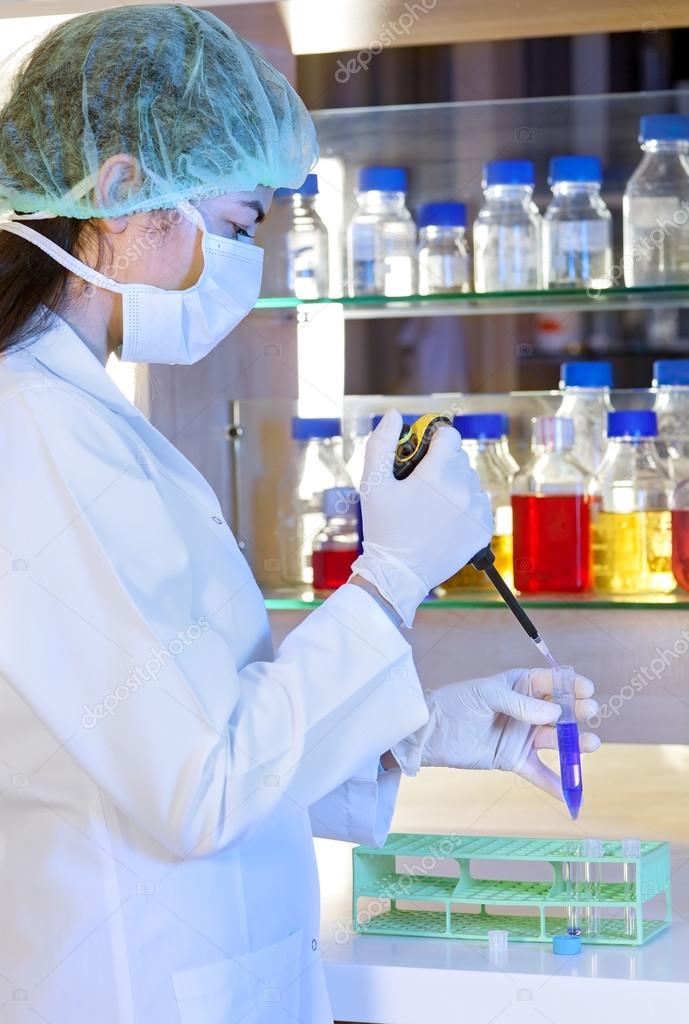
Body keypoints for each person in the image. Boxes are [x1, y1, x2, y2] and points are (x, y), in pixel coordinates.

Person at [0, 6, 599, 1023]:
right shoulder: (31, 427)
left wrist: (420, 732)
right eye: (238, 226)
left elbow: (184, 739)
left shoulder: (81, 415)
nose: (248, 264)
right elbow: (200, 789)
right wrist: (390, 577)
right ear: (119, 191)